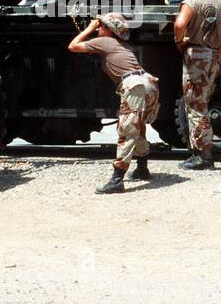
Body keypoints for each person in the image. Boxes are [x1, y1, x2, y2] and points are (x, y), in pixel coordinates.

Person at [68, 12, 159, 193]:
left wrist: (89, 28)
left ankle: (117, 179)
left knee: (126, 131)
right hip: (149, 84)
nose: (98, 28)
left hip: (134, 86)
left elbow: (73, 46)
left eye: (101, 26)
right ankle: (142, 168)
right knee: (138, 127)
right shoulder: (122, 44)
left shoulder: (105, 41)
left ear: (109, 30)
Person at [173, 0, 221, 170]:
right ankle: (202, 152)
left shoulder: (192, 1)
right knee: (204, 102)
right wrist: (217, 56)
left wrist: (180, 41)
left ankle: (203, 156)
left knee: (195, 106)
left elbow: (179, 24)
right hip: (213, 55)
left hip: (196, 54)